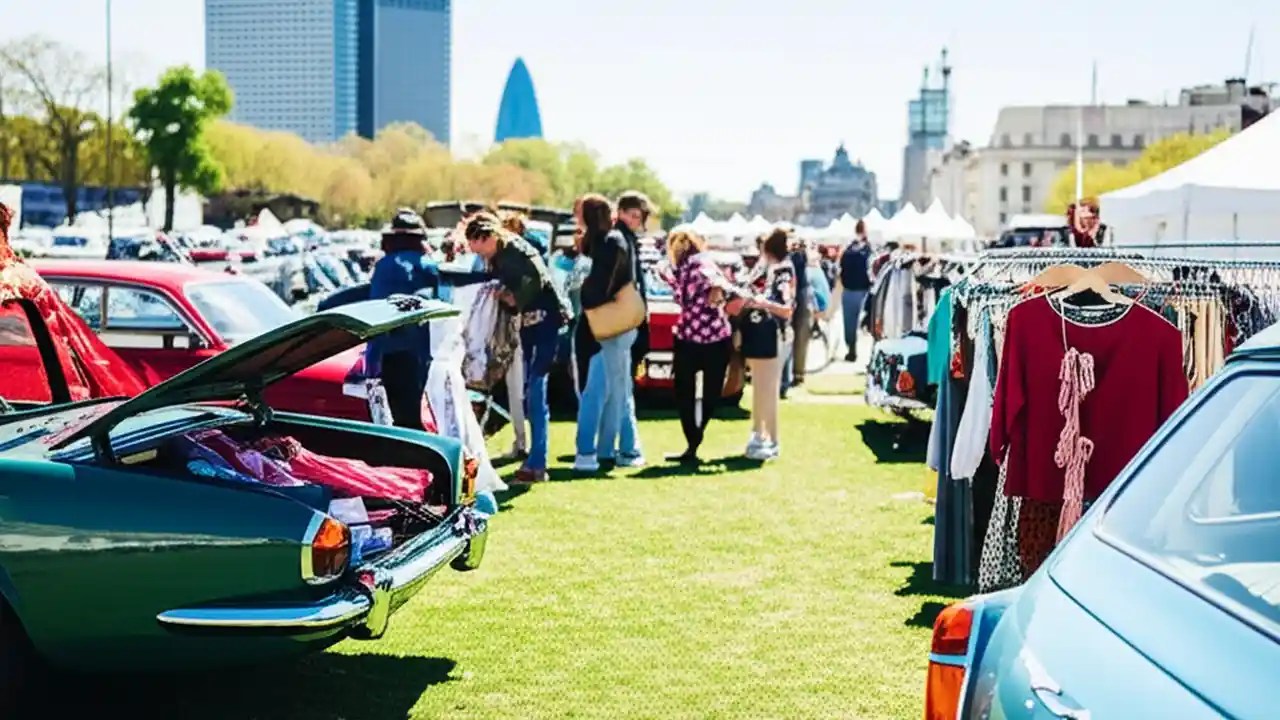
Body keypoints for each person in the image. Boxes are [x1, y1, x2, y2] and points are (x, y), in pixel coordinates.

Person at [464, 213, 568, 483]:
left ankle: (538, 462)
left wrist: (513, 297)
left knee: (536, 390)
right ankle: (535, 459)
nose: (481, 256)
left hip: (544, 322)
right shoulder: (499, 254)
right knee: (530, 391)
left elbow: (537, 278)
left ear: (487, 238)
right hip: (530, 324)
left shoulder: (516, 249)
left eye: (479, 249)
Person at [366, 208, 489, 430]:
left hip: (387, 351)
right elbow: (447, 298)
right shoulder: (427, 266)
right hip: (419, 350)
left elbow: (374, 307)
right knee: (417, 412)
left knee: (394, 414)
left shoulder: (382, 267)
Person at [664, 230, 772, 464]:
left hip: (689, 337)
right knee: (710, 394)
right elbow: (722, 286)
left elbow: (718, 284)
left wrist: (723, 290)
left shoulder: (693, 264)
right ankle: (694, 441)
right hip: (715, 338)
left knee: (685, 393)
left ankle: (692, 442)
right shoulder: (698, 263)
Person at [574, 192, 648, 472]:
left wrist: (585, 296)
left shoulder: (608, 242)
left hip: (607, 324)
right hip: (611, 324)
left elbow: (599, 286)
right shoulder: (612, 240)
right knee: (614, 390)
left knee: (605, 390)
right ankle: (611, 450)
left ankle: (598, 451)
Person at [745, 229, 796, 460]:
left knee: (767, 389)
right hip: (767, 334)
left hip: (775, 333)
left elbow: (786, 307)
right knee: (761, 387)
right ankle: (759, 434)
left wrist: (761, 303)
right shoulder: (772, 268)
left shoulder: (782, 269)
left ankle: (771, 439)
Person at [838, 220, 873, 362]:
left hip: (849, 289)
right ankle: (867, 352)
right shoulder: (869, 250)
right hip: (864, 290)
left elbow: (841, 269)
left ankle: (851, 349)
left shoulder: (848, 249)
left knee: (849, 322)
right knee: (868, 321)